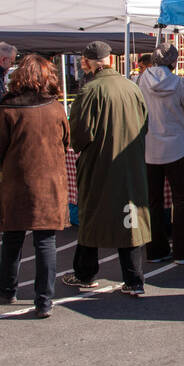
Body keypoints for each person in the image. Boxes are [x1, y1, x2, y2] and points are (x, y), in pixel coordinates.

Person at [0, 54, 71, 318]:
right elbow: (66, 142)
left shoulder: (7, 110)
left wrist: (10, 165)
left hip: (17, 181)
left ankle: (8, 287)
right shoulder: (55, 108)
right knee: (45, 240)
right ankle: (44, 300)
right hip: (50, 182)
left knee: (13, 236)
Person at [66, 40, 151, 295]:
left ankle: (85, 274)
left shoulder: (90, 90)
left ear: (87, 63)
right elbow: (145, 125)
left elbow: (79, 135)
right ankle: (134, 281)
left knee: (92, 216)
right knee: (130, 220)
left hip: (100, 164)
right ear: (111, 60)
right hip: (131, 163)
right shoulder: (132, 87)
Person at [138, 42, 184, 265]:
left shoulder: (142, 79)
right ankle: (182, 251)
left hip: (149, 147)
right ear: (174, 62)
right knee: (181, 201)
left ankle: (156, 250)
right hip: (176, 148)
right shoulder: (179, 83)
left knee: (154, 201)